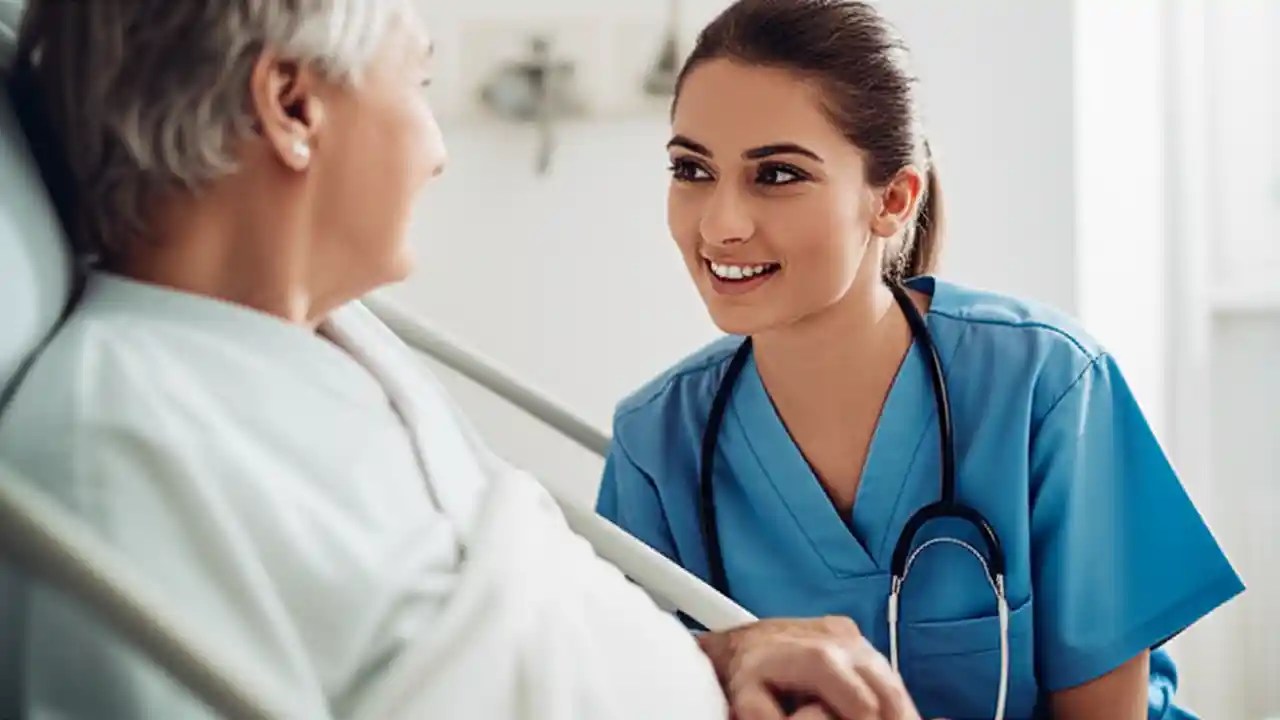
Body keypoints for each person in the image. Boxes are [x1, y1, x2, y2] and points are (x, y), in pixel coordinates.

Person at [0, 1, 921, 719]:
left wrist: (718, 662)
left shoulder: (331, 349)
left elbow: (517, 640)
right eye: (420, 81)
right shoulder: (114, 457)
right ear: (292, 106)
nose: (438, 152)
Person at [595, 1, 1245, 719]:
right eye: (691, 168)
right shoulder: (658, 444)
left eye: (777, 175)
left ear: (894, 199)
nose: (719, 224)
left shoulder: (1045, 387)